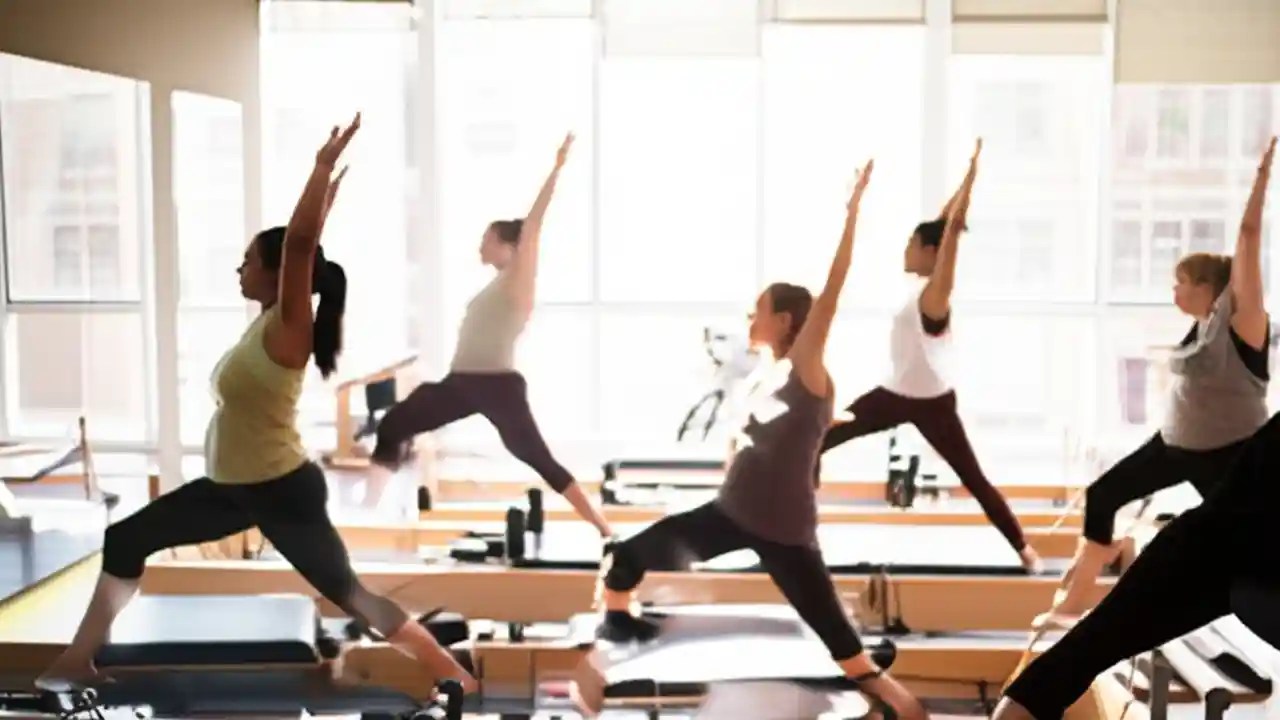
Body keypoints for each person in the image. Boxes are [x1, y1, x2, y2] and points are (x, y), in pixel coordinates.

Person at [35, 115, 476, 696]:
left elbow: (297, 246)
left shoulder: (293, 325)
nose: (239, 268)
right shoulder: (266, 323)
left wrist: (319, 172)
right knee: (126, 539)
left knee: (349, 593)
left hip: (279, 489)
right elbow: (300, 246)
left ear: (276, 274)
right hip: (230, 487)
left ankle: (451, 673)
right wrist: (321, 205)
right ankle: (77, 659)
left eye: (248, 260)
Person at [572, 159, 928, 720]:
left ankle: (909, 712)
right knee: (625, 559)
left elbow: (831, 295)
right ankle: (614, 643)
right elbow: (757, 447)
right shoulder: (764, 375)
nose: (749, 316)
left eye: (757, 309)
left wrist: (852, 216)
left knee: (851, 658)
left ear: (785, 320)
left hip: (787, 536)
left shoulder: (808, 365)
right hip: (728, 515)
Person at [1038, 136, 1275, 627]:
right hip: (1173, 446)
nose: (1174, 290)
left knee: (1257, 543)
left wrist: (1259, 182)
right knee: (1102, 496)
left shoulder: (1245, 321)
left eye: (1181, 281)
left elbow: (1249, 239)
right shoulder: (1203, 327)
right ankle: (1081, 593)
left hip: (1229, 455)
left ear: (1210, 286)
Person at [363, 133, 612, 539]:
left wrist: (556, 167)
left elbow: (533, 227)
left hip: (497, 386)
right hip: (461, 384)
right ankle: (367, 514)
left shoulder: (519, 280)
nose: (482, 243)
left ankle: (603, 528)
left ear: (511, 247)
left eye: (489, 238)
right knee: (393, 424)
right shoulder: (495, 286)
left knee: (536, 457)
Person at [817, 139, 1041, 574]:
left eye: (910, 244)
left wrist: (971, 185)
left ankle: (1025, 551)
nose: (904, 250)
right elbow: (944, 225)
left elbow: (950, 233)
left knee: (972, 477)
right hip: (894, 395)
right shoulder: (921, 288)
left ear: (930, 254)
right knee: (819, 438)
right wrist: (963, 183)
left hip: (934, 404)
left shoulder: (935, 296)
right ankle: (798, 522)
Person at [994, 406, 1280, 719]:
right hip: (1214, 523)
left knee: (1065, 666)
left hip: (1228, 532)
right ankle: (1070, 612)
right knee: (1063, 667)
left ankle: (1068, 620)